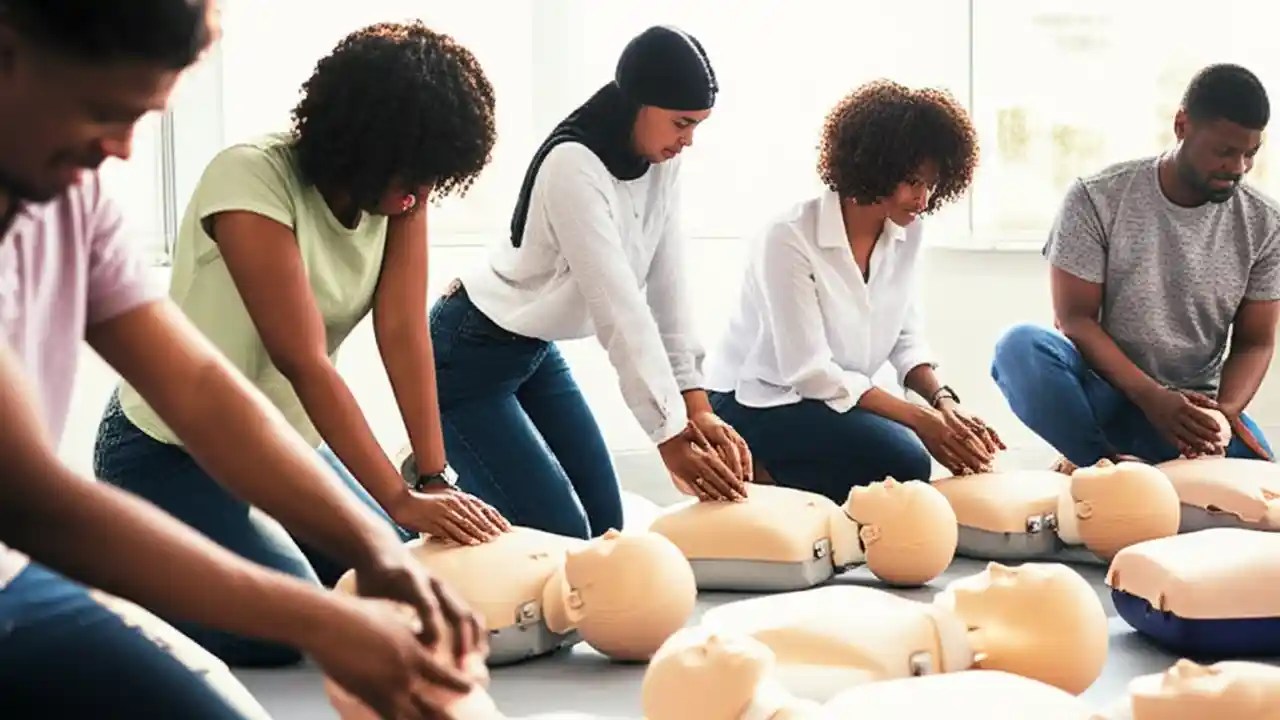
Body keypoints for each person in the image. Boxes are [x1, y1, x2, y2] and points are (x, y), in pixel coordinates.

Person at [0, 1, 486, 718]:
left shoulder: (74, 196)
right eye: (104, 110)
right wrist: (316, 617)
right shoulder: (251, 179)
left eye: (143, 117)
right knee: (277, 623)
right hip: (131, 472)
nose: (125, 150)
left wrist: (376, 546)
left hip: (11, 580)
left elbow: (200, 386)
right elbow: (32, 500)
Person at [91, 19, 513, 666]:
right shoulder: (250, 179)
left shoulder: (401, 197)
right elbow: (304, 360)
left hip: (282, 450)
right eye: (413, 175)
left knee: (390, 570)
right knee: (288, 622)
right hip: (168, 451)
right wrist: (395, 496)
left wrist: (431, 478)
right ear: (363, 142)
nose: (421, 195)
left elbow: (402, 333)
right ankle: (137, 566)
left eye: (433, 181)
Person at [425, 25, 750, 539]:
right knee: (565, 537)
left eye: (697, 126)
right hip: (467, 353)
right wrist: (668, 437)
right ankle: (432, 485)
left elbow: (668, 285)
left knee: (605, 526)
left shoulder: (661, 163)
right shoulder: (573, 165)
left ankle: (470, 472)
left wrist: (696, 404)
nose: (688, 140)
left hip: (531, 349)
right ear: (638, 101)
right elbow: (618, 308)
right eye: (681, 123)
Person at [703, 80, 1004, 503]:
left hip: (823, 398)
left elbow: (905, 338)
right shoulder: (788, 238)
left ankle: (796, 492)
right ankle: (761, 476)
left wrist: (944, 403)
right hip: (754, 398)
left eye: (932, 184)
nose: (922, 198)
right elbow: (808, 371)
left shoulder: (908, 232)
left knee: (904, 460)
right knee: (905, 460)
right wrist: (920, 420)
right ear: (874, 167)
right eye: (911, 181)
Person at [992, 63, 1279, 471]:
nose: (1237, 168)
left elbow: (1255, 341)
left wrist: (1224, 414)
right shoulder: (1097, 198)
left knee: (1260, 482)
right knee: (1019, 348)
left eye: (1250, 154)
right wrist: (1150, 396)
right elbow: (1073, 319)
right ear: (1182, 125)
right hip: (1103, 392)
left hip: (1188, 409)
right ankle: (1104, 464)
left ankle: (1117, 461)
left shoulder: (1265, 224)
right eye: (1224, 151)